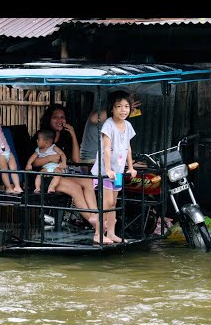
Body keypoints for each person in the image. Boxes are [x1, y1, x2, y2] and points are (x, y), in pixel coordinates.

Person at [29, 104, 100, 243]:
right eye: (55, 117)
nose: (59, 120)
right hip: (43, 177)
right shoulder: (41, 136)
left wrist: (73, 134)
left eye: (62, 117)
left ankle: (96, 216)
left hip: (60, 175)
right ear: (49, 119)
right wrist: (50, 158)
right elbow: (32, 163)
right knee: (76, 188)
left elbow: (76, 160)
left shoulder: (65, 136)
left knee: (87, 182)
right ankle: (96, 225)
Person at [91, 90, 137, 244]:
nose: (123, 110)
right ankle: (98, 233)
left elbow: (128, 147)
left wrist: (130, 167)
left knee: (114, 203)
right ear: (112, 108)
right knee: (106, 203)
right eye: (119, 106)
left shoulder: (128, 125)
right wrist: (108, 169)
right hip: (105, 170)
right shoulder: (108, 125)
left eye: (126, 106)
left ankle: (111, 233)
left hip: (118, 171)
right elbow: (106, 149)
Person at [25, 129, 67, 193]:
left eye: (39, 139)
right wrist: (29, 164)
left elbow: (62, 154)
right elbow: (33, 157)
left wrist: (64, 162)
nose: (37, 140)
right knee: (39, 175)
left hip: (55, 166)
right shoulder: (38, 150)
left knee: (58, 173)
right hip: (46, 167)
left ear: (46, 142)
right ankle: (37, 187)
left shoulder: (53, 147)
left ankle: (52, 187)